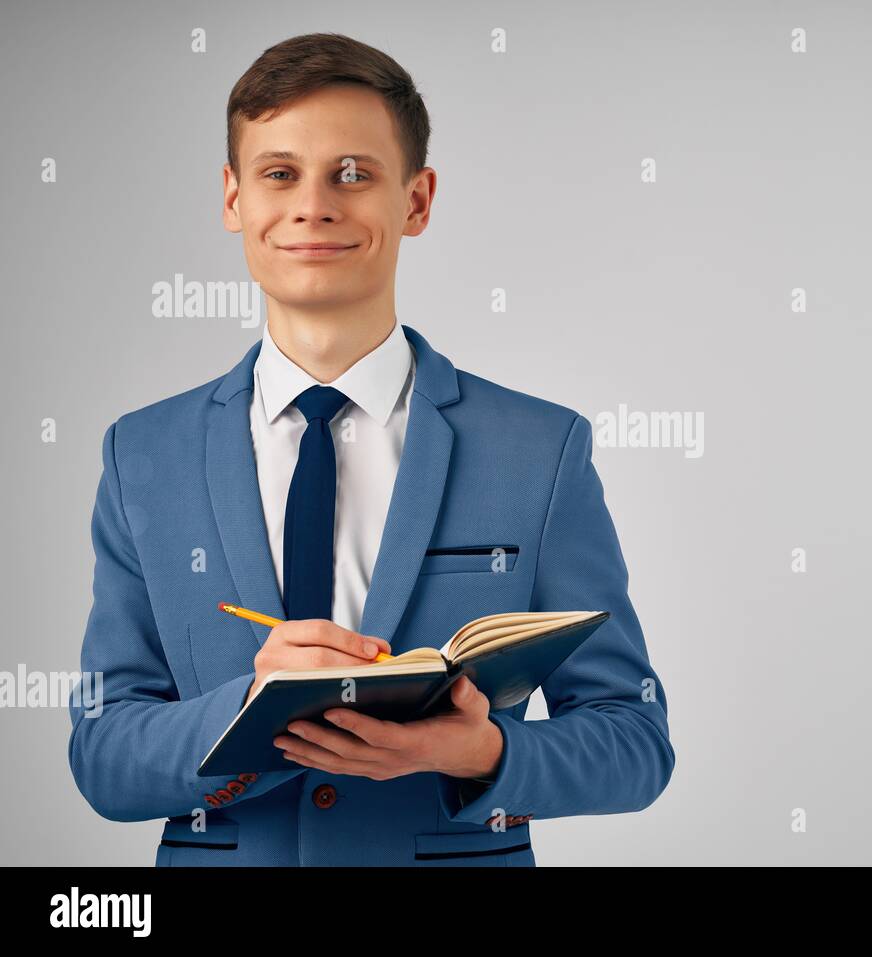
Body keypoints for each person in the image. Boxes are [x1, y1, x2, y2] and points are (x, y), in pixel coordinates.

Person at [67, 32, 674, 866]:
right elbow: (103, 758)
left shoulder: (542, 449)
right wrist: (246, 707)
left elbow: (635, 742)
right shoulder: (143, 454)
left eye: (353, 173)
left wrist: (481, 754)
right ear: (233, 198)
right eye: (280, 173)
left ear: (417, 200)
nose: (313, 204)